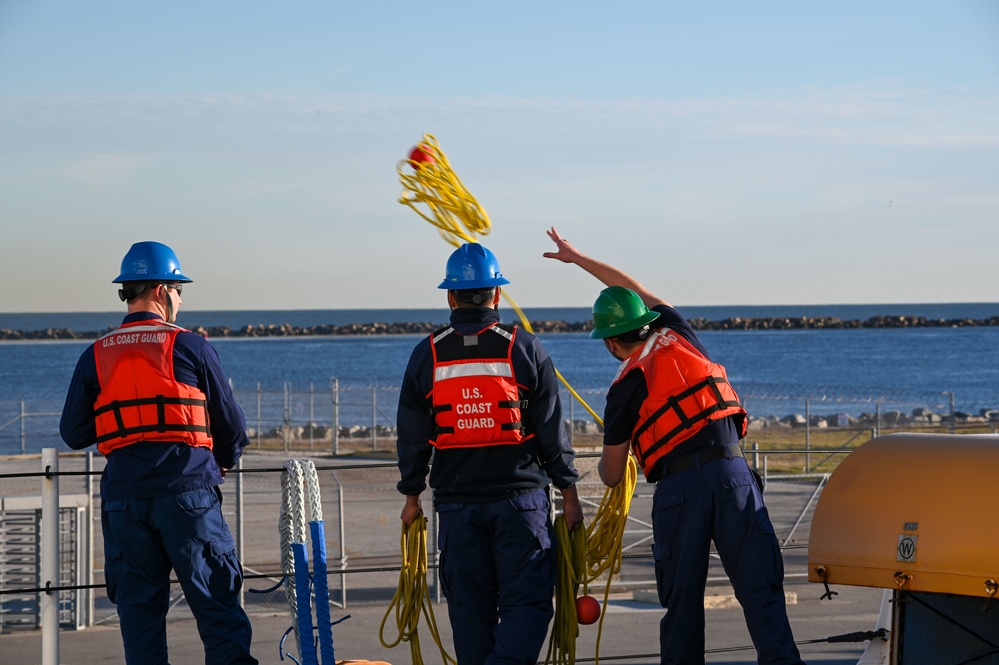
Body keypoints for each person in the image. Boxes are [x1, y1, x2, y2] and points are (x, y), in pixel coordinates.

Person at [544, 227, 805, 665]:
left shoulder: (625, 386)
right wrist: (578, 258)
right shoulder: (677, 331)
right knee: (763, 596)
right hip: (734, 477)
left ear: (610, 341)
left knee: (683, 609)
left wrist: (626, 448)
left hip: (680, 492)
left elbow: (610, 475)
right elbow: (629, 286)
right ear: (644, 320)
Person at [60, 241, 257, 665]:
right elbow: (233, 428)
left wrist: (125, 421)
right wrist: (221, 460)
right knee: (218, 612)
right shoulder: (191, 347)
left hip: (124, 502)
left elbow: (73, 433)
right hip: (189, 497)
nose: (181, 299)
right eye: (180, 289)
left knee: (140, 621)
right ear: (162, 289)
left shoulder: (96, 354)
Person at [396, 242, 584, 665]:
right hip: (520, 505)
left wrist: (411, 498)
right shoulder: (525, 347)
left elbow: (411, 435)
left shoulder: (425, 353)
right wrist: (569, 496)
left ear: (450, 296)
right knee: (529, 605)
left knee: (470, 614)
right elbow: (552, 431)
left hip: (458, 508)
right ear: (496, 295)